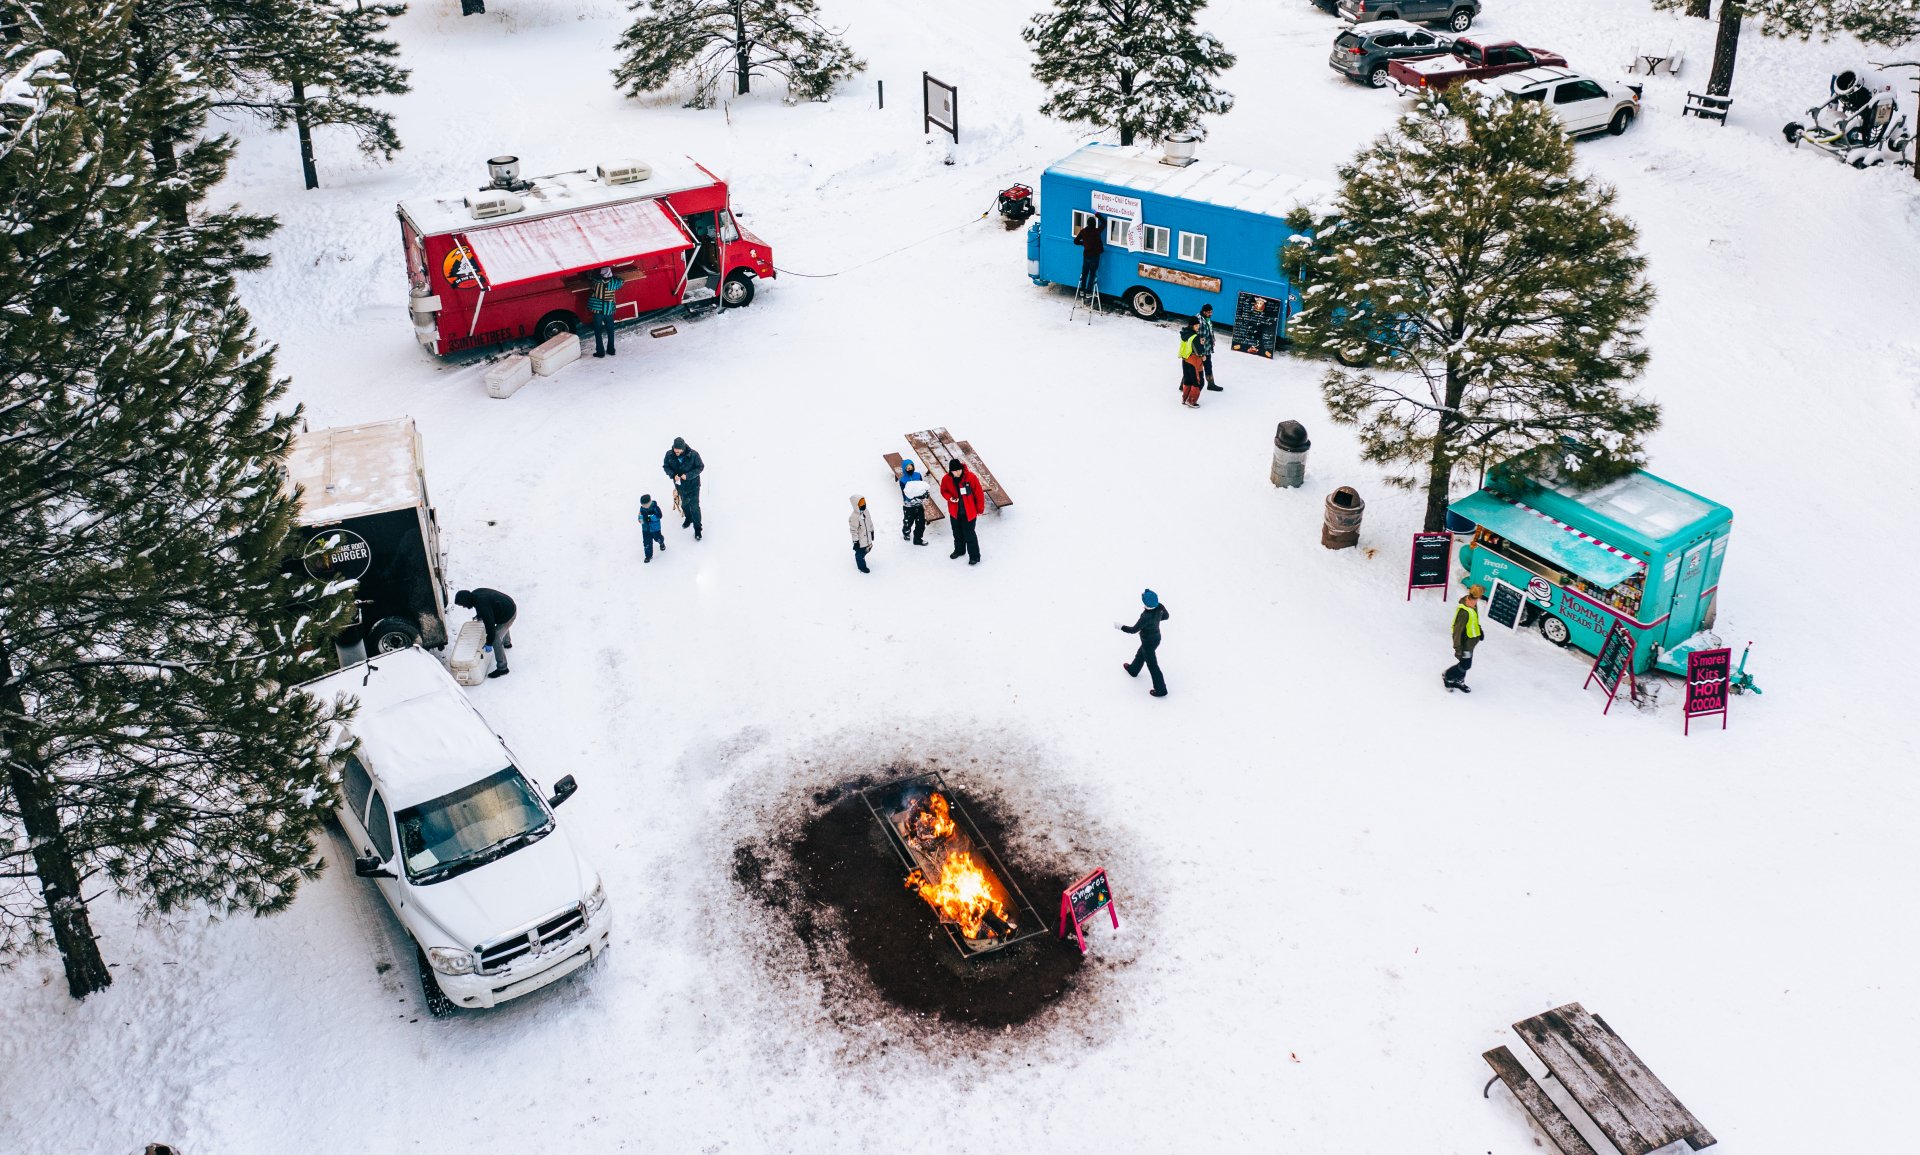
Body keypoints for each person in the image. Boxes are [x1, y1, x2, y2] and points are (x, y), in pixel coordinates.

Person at [454, 587, 516, 679]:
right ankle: (507, 643)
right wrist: (480, 615)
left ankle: (502, 668)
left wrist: (489, 642)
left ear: (467, 601)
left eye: (463, 605)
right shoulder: (475, 594)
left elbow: (490, 626)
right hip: (507, 605)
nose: (464, 607)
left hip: (508, 614)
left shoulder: (482, 604)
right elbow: (484, 606)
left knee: (495, 638)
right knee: (500, 625)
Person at [1118, 589, 1171, 698]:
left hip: (1148, 642)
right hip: (1156, 638)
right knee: (1141, 654)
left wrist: (1121, 627)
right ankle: (1133, 670)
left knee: (1152, 666)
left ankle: (1161, 690)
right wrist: (1155, 621)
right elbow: (1166, 616)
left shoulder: (1145, 616)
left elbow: (1133, 630)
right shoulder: (1160, 607)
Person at [940, 458, 984, 565]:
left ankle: (974, 556)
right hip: (955, 513)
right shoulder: (946, 479)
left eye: (959, 470)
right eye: (955, 471)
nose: (957, 472)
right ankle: (959, 550)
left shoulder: (970, 477)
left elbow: (979, 494)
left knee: (969, 535)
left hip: (969, 513)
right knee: (957, 533)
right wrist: (950, 498)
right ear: (950, 471)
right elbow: (943, 491)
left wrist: (980, 509)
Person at [1444, 585, 1485, 692]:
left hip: (1470, 643)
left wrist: (1479, 631)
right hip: (1464, 644)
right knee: (1465, 664)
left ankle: (1459, 680)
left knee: (1466, 663)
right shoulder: (1464, 612)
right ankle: (1448, 675)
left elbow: (1474, 621)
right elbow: (1457, 633)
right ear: (1478, 597)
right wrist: (1458, 649)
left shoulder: (1473, 606)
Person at [662, 436, 704, 540]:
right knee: (684, 504)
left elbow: (700, 467)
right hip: (680, 485)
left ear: (683, 448)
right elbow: (666, 467)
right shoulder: (669, 454)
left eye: (678, 450)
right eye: (675, 450)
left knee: (694, 506)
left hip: (693, 485)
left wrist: (688, 475)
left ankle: (698, 529)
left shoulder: (693, 454)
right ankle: (688, 518)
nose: (676, 452)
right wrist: (673, 475)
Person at [588, 265, 623, 358]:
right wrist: (615, 277)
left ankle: (600, 352)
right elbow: (621, 281)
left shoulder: (596, 282)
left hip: (598, 311)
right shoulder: (614, 283)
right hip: (608, 311)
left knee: (597, 331)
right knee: (610, 330)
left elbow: (590, 277)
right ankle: (611, 350)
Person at [898, 458, 929, 546]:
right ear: (904, 469)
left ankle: (918, 539)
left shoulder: (918, 475)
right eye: (907, 468)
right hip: (909, 506)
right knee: (908, 522)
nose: (909, 469)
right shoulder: (902, 480)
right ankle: (906, 532)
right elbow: (906, 494)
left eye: (911, 467)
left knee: (921, 522)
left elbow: (922, 487)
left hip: (919, 504)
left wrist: (925, 494)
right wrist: (916, 496)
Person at [1074, 217, 1105, 297]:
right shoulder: (1097, 231)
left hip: (1086, 256)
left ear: (1087, 223)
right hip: (1094, 256)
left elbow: (1075, 241)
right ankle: (1088, 292)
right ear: (1094, 224)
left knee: (1084, 273)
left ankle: (1082, 290)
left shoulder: (1083, 231)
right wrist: (1097, 214)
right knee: (1092, 274)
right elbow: (1104, 222)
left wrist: (1083, 243)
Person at [1177, 320, 1205, 408]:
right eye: (1196, 326)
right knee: (1198, 381)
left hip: (1185, 359)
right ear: (1192, 326)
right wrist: (1202, 350)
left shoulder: (1184, 333)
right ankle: (1192, 400)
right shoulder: (1195, 336)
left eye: (1198, 326)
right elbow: (1198, 350)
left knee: (1187, 379)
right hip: (1194, 360)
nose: (1198, 327)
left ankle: (1184, 399)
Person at [1197, 303, 1222, 391]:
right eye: (1209, 312)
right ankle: (1211, 384)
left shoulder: (1206, 319)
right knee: (1197, 367)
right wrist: (1202, 353)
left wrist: (1212, 339)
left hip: (1206, 348)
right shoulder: (1201, 322)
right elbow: (1201, 338)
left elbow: (1210, 330)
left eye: (1211, 312)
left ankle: (1183, 385)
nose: (1210, 314)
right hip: (1203, 351)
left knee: (1197, 367)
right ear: (1204, 312)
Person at [848, 495, 875, 573]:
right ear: (856, 505)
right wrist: (855, 542)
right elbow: (853, 531)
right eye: (861, 503)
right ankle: (861, 567)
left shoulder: (866, 511)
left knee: (867, 549)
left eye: (864, 502)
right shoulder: (854, 517)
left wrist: (872, 531)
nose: (863, 504)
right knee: (860, 554)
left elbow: (870, 522)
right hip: (860, 541)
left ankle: (862, 555)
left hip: (867, 537)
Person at [637, 493, 666, 563]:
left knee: (658, 538)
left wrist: (649, 518)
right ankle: (648, 556)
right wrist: (641, 520)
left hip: (655, 528)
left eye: (645, 505)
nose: (644, 506)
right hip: (645, 529)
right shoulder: (642, 509)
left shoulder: (655, 507)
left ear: (650, 502)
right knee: (646, 542)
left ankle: (661, 542)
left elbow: (659, 515)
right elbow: (640, 517)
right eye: (643, 505)